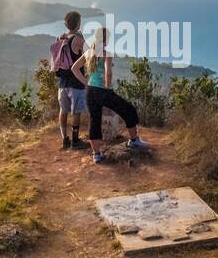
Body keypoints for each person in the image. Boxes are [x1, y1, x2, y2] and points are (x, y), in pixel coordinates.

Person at [70, 26, 150, 164]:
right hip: (103, 91)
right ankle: (134, 140)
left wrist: (86, 83)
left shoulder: (89, 52)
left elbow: (74, 68)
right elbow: (108, 72)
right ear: (105, 39)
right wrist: (107, 86)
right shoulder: (106, 53)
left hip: (90, 92)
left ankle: (96, 155)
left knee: (94, 121)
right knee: (128, 109)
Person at [50, 11, 88, 150]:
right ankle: (75, 141)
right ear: (78, 23)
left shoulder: (61, 39)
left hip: (62, 82)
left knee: (63, 110)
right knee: (76, 112)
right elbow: (89, 54)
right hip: (76, 82)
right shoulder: (78, 40)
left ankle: (64, 139)